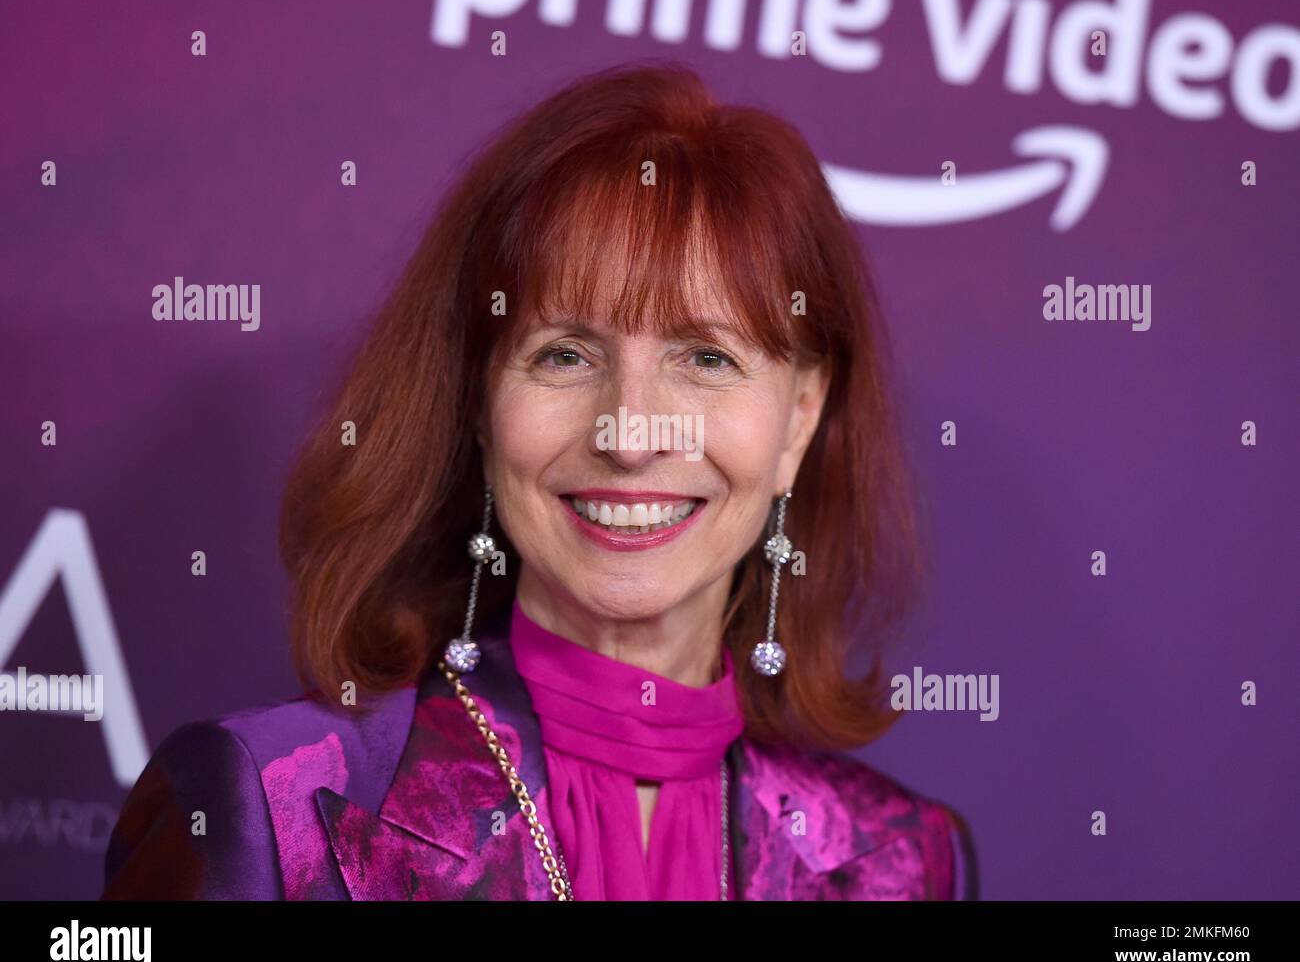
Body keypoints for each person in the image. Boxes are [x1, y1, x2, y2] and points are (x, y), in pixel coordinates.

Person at [101, 60, 977, 901]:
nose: (631, 433)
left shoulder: (904, 861)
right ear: (481, 405)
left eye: (707, 358)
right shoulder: (264, 808)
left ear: (799, 419)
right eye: (564, 354)